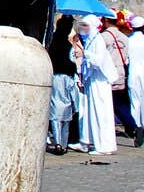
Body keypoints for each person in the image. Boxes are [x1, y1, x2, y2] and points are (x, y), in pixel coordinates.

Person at [74, 15, 117, 157]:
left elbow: (98, 61)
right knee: (88, 111)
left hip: (99, 81)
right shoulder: (90, 41)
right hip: (92, 80)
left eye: (86, 26)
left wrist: (84, 53)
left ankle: (104, 145)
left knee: (100, 112)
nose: (83, 29)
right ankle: (86, 140)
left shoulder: (97, 40)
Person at [102, 16, 136, 143]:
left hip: (108, 73)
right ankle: (131, 125)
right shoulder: (125, 38)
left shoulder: (104, 37)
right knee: (120, 103)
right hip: (121, 72)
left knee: (109, 104)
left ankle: (109, 131)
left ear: (106, 21)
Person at [47, 15, 77, 154]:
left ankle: (58, 142)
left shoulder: (51, 43)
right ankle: (63, 144)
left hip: (54, 78)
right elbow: (72, 62)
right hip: (67, 79)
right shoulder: (68, 45)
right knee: (67, 112)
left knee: (54, 111)